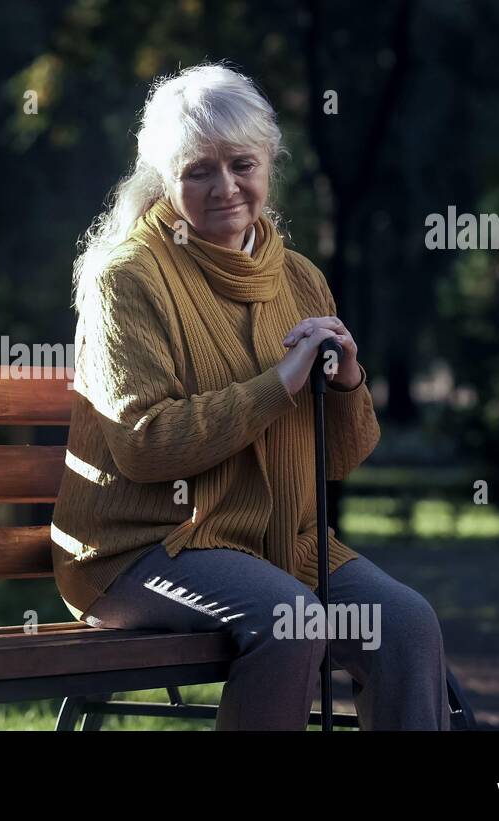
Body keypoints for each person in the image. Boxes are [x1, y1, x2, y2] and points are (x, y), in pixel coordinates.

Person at [50, 62, 451, 730]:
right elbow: (144, 444)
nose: (225, 187)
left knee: (406, 622)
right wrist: (278, 385)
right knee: (291, 620)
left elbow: (339, 460)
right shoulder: (128, 279)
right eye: (198, 170)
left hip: (275, 544)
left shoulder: (297, 277)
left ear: (270, 163)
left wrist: (346, 382)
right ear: (165, 178)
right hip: (141, 549)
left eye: (242, 164)